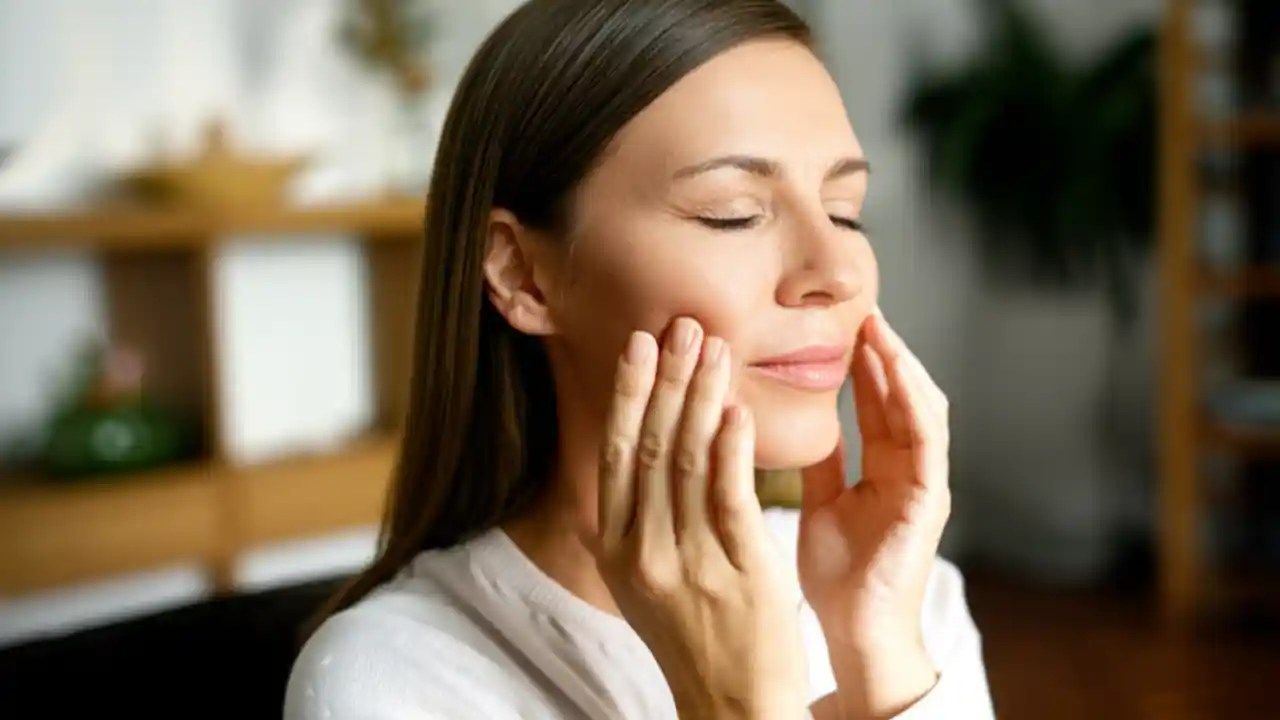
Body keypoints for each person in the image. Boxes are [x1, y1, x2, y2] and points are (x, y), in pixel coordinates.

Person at [286, 0, 995, 717]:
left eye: (845, 210)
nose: (836, 270)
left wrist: (876, 652)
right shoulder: (391, 681)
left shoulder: (901, 595)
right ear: (523, 275)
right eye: (734, 212)